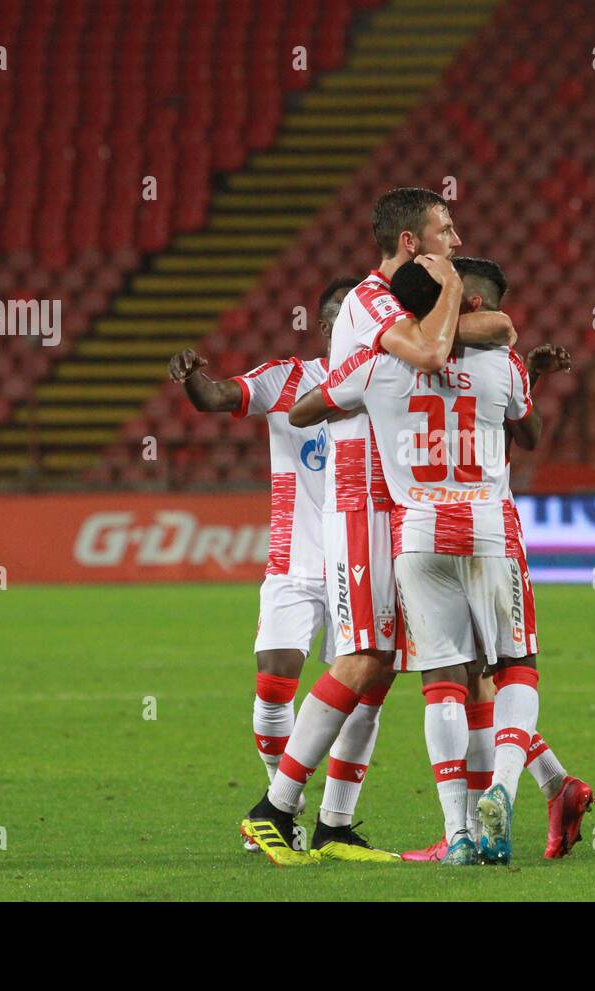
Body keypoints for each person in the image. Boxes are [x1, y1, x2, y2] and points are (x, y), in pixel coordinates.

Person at [239, 187, 515, 866]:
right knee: (361, 656)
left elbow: (480, 332)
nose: (457, 240)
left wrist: (463, 317)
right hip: (362, 499)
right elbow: (429, 352)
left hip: (397, 500)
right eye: (446, 231)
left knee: (384, 663)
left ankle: (334, 822)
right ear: (411, 243)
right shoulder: (368, 301)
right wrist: (453, 292)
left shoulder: (395, 309)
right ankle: (273, 808)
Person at [168, 278, 397, 863]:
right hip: (296, 558)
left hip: (367, 555)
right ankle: (283, 805)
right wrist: (193, 376)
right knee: (275, 680)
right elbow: (216, 398)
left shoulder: (389, 376)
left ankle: (334, 824)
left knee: (363, 691)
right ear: (326, 329)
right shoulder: (287, 378)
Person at [392, 257, 594, 862]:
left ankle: (465, 833)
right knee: (510, 666)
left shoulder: (384, 359)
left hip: (418, 529)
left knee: (450, 678)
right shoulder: (501, 359)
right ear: (473, 304)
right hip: (488, 528)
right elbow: (526, 433)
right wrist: (522, 373)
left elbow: (313, 404)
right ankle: (517, 792)